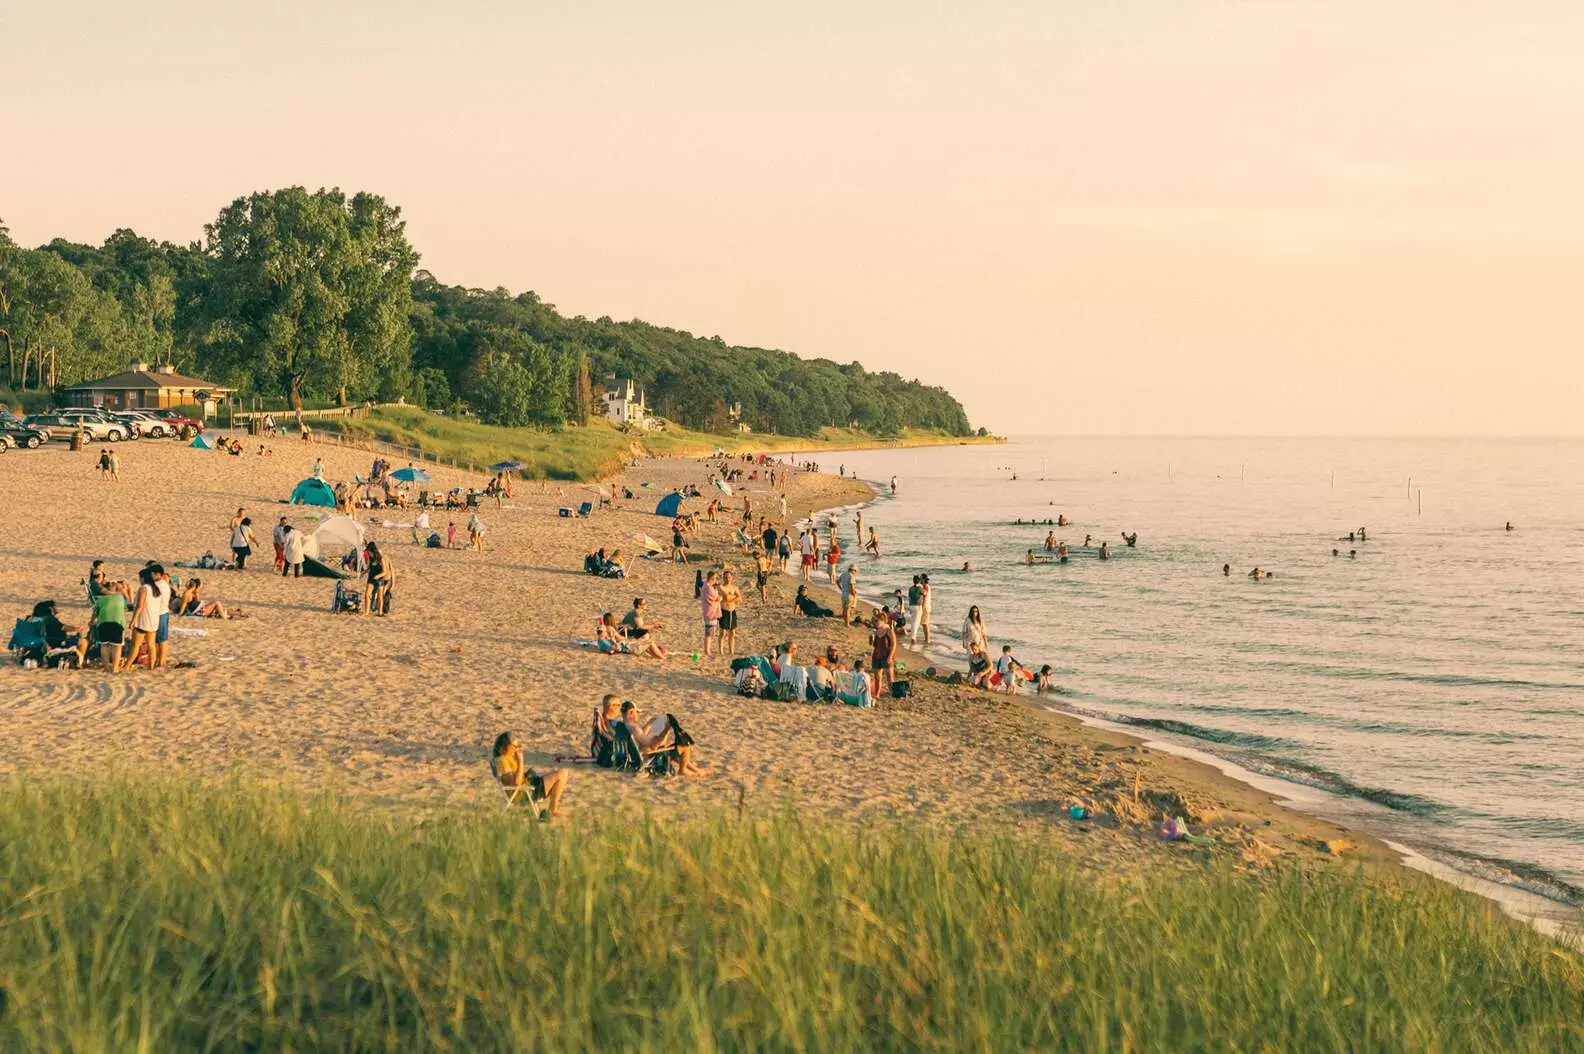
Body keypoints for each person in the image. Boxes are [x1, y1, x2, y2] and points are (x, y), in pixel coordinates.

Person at [491, 732, 568, 820]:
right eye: (514, 746)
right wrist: (520, 761)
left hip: (527, 786)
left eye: (518, 746)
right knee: (562, 773)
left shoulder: (506, 758)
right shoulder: (502, 760)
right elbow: (516, 783)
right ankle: (552, 810)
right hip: (525, 793)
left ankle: (552, 809)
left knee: (561, 772)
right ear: (506, 746)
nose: (516, 749)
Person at [32, 600, 90, 667]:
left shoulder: (31, 619)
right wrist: (76, 628)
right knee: (83, 641)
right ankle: (79, 663)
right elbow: (63, 627)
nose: (57, 608)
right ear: (50, 608)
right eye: (55, 606)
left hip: (43, 642)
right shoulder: (49, 618)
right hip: (56, 642)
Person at [91, 580, 130, 671]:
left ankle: (106, 667)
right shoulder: (120, 598)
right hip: (117, 623)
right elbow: (127, 603)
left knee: (104, 645)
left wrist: (91, 621)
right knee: (117, 647)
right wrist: (122, 589)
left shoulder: (100, 599)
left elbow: (95, 613)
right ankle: (115, 668)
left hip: (103, 623)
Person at [364, 541, 391, 616]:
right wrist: (363, 573)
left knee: (380, 597)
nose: (368, 553)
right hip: (371, 578)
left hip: (379, 580)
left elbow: (385, 571)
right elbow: (368, 568)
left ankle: (380, 612)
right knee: (367, 595)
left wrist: (378, 576)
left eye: (368, 551)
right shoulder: (370, 558)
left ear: (372, 551)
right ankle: (366, 612)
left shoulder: (380, 558)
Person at [871, 616, 897, 695]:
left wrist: (890, 657)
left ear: (883, 620)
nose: (874, 623)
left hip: (886, 655)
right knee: (877, 677)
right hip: (876, 655)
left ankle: (892, 693)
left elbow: (894, 645)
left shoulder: (889, 631)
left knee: (889, 677)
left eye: (876, 620)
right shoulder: (876, 631)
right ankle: (877, 694)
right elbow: (874, 645)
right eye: (873, 621)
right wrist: (871, 639)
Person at [719, 569, 742, 656]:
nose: (727, 579)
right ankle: (721, 651)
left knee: (732, 632)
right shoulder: (721, 587)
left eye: (729, 577)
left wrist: (730, 598)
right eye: (725, 577)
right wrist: (733, 597)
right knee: (723, 632)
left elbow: (740, 599)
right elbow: (725, 597)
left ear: (732, 578)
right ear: (723, 578)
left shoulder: (734, 587)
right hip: (724, 611)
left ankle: (731, 651)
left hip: (732, 611)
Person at [699, 570, 722, 657]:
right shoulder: (708, 587)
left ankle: (708, 649)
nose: (716, 580)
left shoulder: (707, 585)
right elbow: (714, 597)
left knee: (711, 631)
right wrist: (719, 599)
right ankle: (707, 650)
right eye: (715, 578)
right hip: (710, 611)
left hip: (710, 611)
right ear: (712, 578)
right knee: (709, 632)